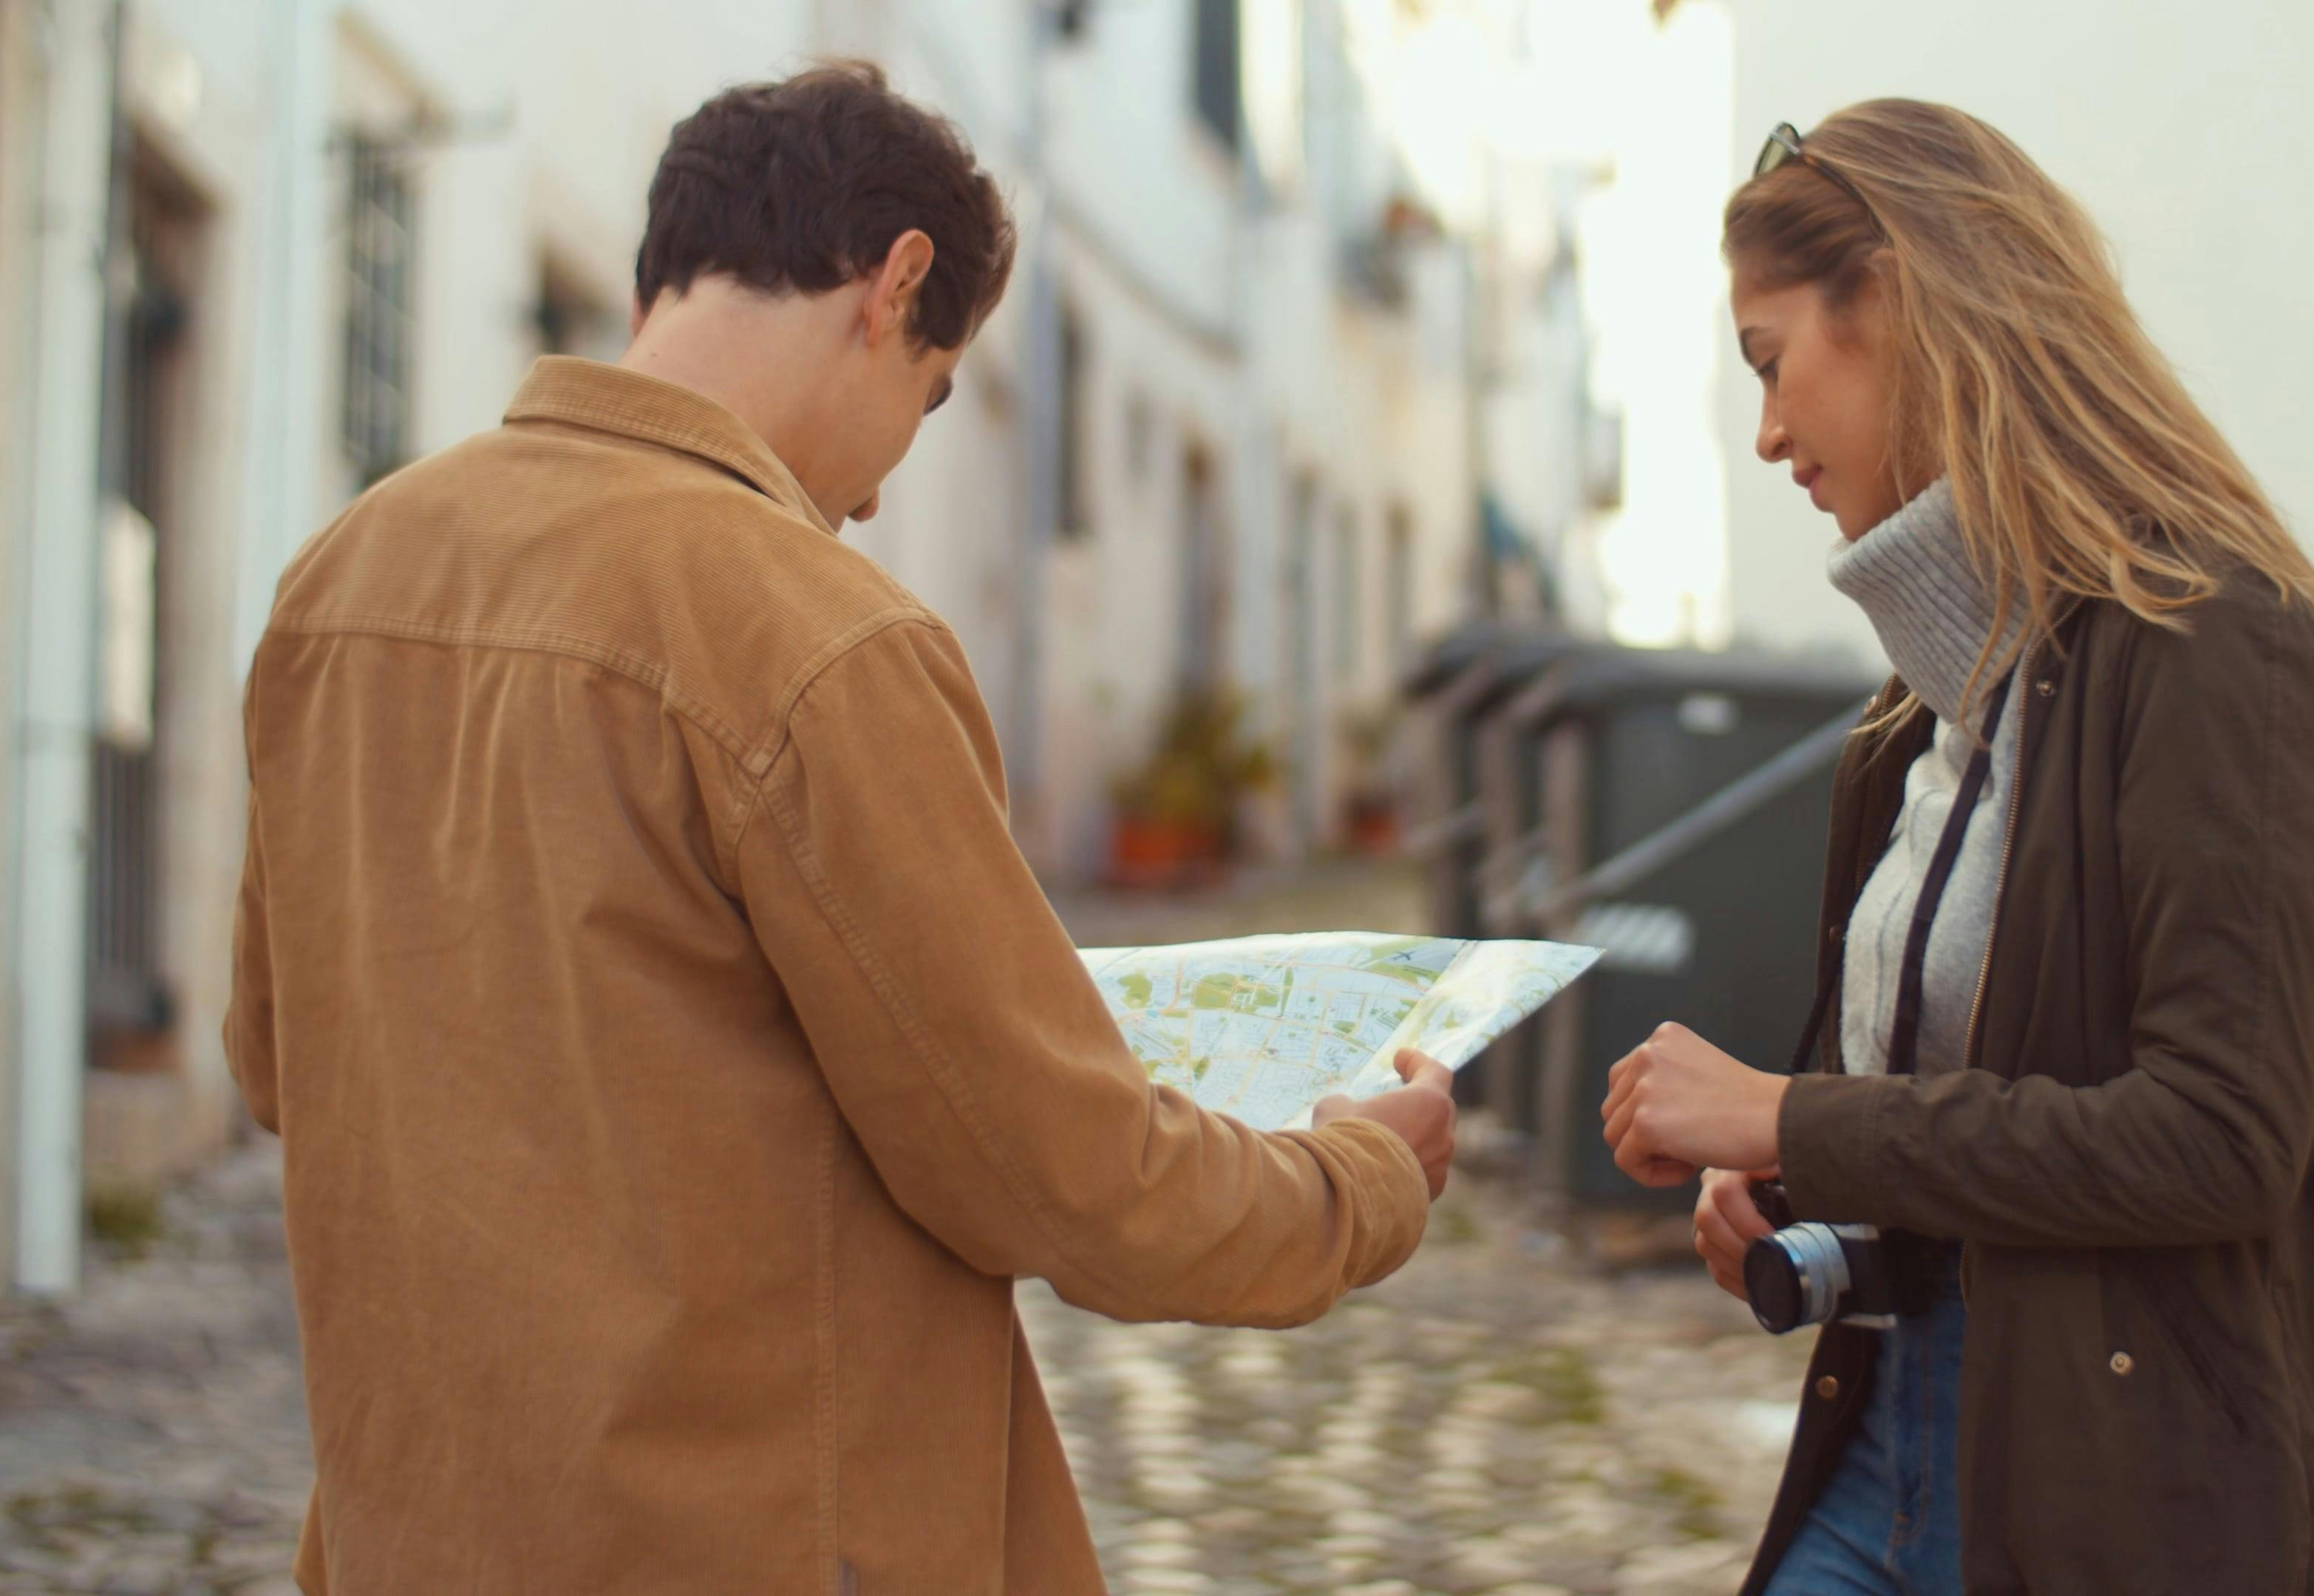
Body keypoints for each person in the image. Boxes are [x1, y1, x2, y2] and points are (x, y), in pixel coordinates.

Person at [227, 62, 1454, 1595]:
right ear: (896, 285)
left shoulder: (341, 581)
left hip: (418, 1534)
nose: (878, 495)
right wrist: (1358, 1182)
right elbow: (1060, 1176)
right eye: (933, 400)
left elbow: (283, 1061)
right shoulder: (813, 633)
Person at [1599, 100, 2314, 1596]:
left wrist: (1792, 1122)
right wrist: (1799, 1207)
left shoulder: (2217, 649)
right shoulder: (1914, 717)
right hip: (1894, 1446)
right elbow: (1979, 1101)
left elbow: (2217, 1141)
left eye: (1770, 362)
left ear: (1902, 305)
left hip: (2147, 1506)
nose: (1770, 432)